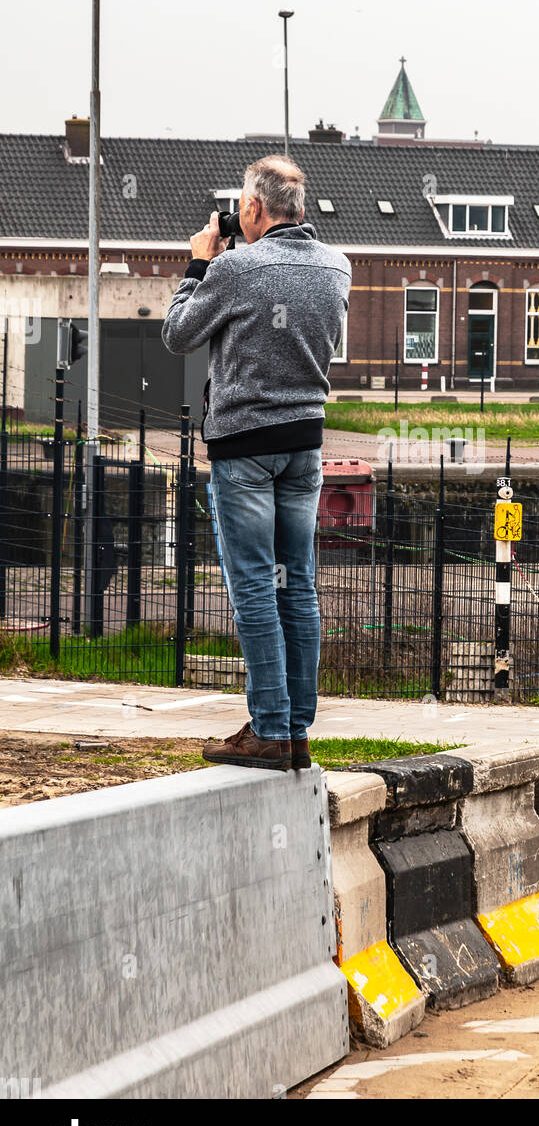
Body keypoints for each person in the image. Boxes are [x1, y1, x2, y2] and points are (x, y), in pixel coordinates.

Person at [162, 155, 350, 771]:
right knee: (297, 585)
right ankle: (295, 728)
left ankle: (269, 728)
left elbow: (178, 333)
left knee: (253, 588)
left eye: (242, 202)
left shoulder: (236, 268)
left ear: (254, 209)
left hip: (245, 447)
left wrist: (198, 264)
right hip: (305, 444)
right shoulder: (337, 267)